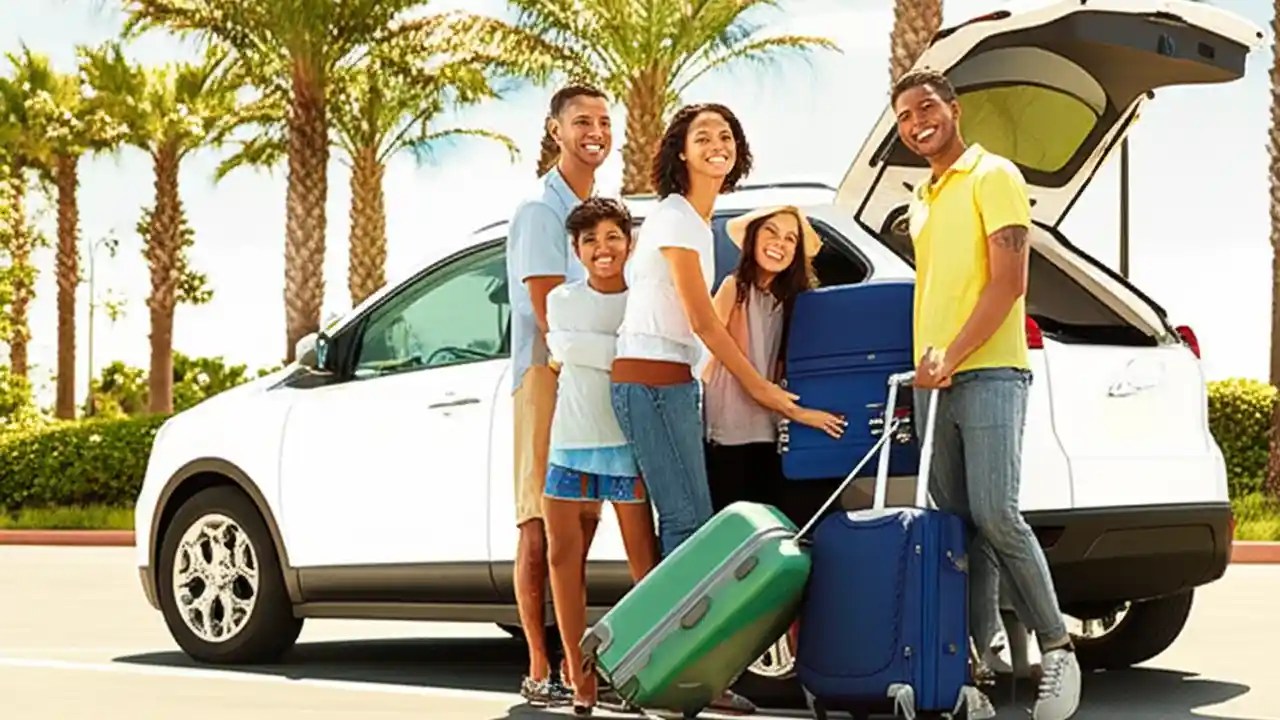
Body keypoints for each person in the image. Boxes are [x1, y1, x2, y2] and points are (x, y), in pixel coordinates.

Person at [609, 103, 840, 715]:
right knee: (688, 524)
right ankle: (662, 673)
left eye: (727, 135)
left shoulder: (694, 220)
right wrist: (762, 393)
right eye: (703, 136)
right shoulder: (677, 220)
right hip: (652, 383)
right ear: (679, 151)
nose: (718, 144)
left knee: (694, 525)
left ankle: (681, 674)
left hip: (670, 384)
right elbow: (705, 323)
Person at [893, 68, 1081, 720]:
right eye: (904, 117)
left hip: (991, 370)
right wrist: (926, 361)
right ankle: (975, 666)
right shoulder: (922, 197)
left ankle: (1057, 647)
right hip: (935, 380)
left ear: (954, 107)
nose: (917, 121)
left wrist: (954, 353)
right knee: (959, 528)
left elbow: (1007, 283)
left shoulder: (993, 175)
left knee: (998, 513)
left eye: (926, 107)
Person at [506, 83, 611, 705]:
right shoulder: (539, 212)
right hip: (548, 377)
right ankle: (541, 664)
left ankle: (576, 659)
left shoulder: (597, 211)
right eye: (581, 121)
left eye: (602, 121)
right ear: (555, 131)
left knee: (582, 518)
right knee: (540, 524)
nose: (594, 131)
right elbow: (546, 309)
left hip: (589, 377)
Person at [543, 197, 660, 716]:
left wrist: (588, 349)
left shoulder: (643, 302)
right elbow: (581, 352)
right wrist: (609, 350)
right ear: (577, 249)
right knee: (564, 561)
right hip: (568, 443)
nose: (602, 248)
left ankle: (648, 668)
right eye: (589, 240)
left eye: (612, 237)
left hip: (625, 448)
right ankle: (580, 676)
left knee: (646, 566)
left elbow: (619, 358)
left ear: (629, 243)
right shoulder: (563, 300)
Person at [703, 204, 845, 517]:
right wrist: (799, 413)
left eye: (790, 239)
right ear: (753, 238)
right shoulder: (733, 288)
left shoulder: (795, 304)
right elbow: (706, 358)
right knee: (735, 523)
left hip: (772, 432)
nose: (779, 243)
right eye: (771, 232)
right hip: (730, 431)